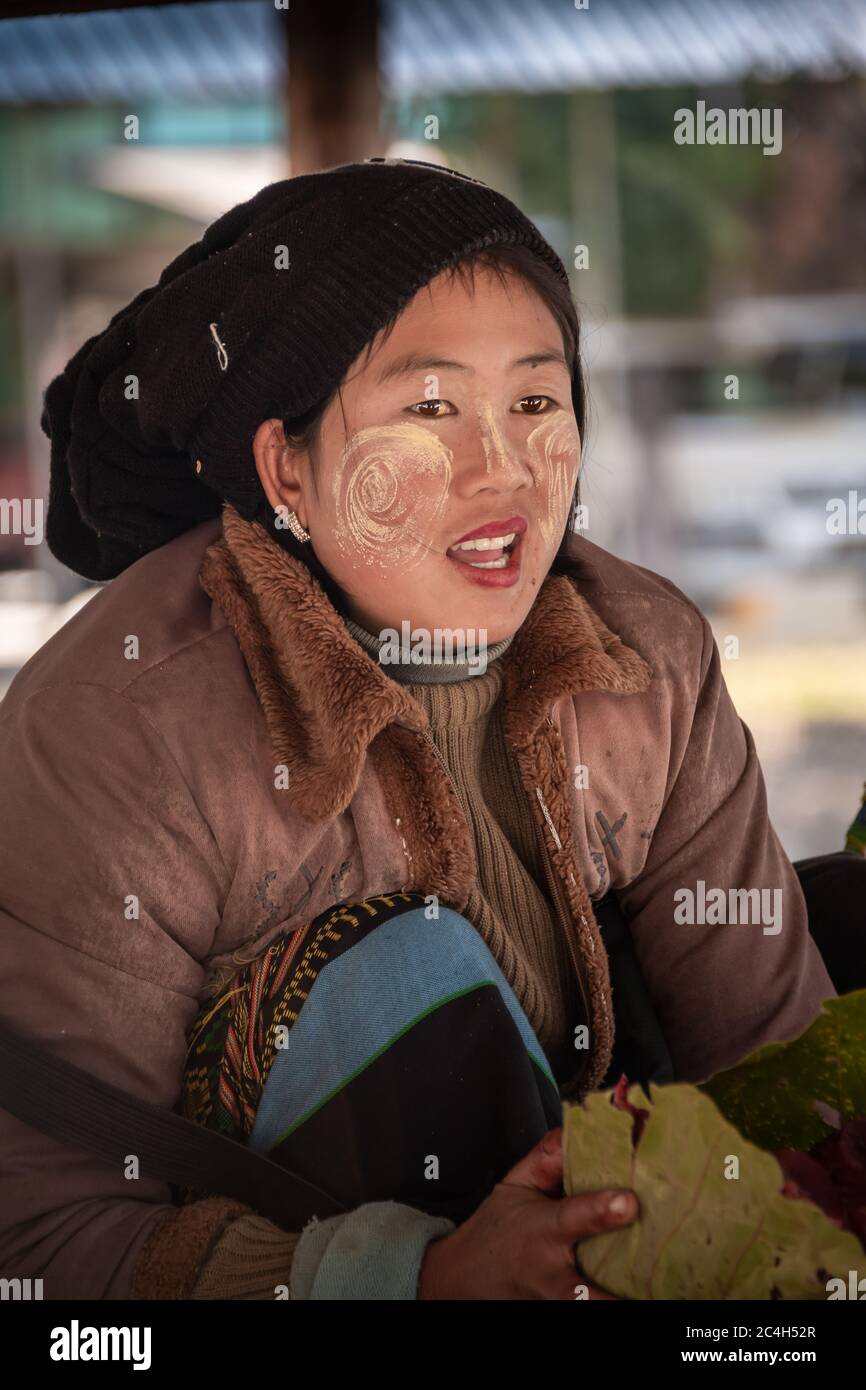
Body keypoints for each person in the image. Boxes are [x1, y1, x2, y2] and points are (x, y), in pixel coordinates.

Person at [0, 158, 843, 1301]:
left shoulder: (647, 658)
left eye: (536, 403)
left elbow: (778, 1075)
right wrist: (416, 1280)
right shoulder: (119, 735)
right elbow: (43, 1250)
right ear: (285, 466)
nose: (501, 468)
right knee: (402, 971)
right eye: (430, 407)